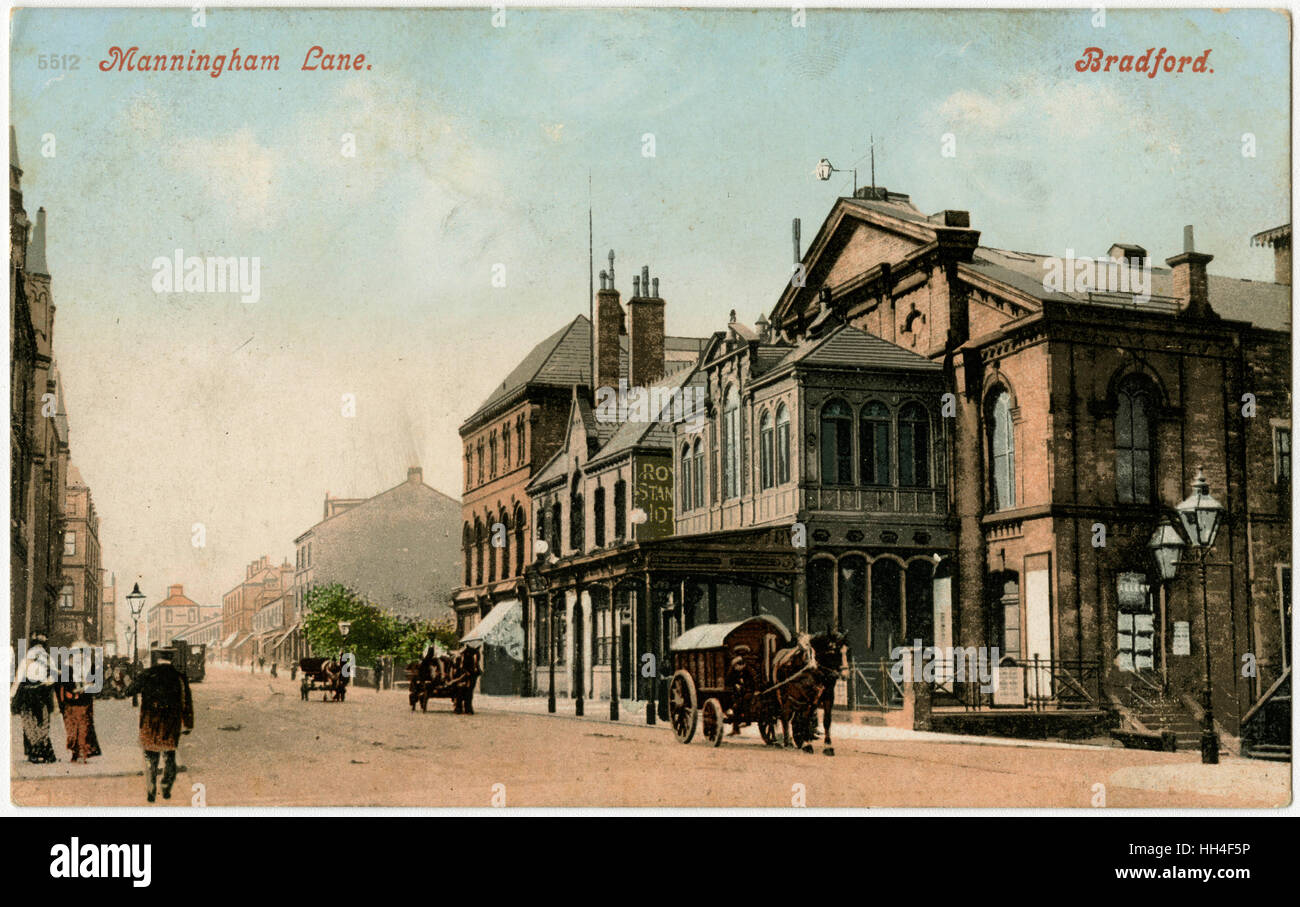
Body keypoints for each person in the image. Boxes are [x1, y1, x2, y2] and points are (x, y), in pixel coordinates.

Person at [123, 647, 194, 802]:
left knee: (150, 758)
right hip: (171, 725)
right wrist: (187, 724)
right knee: (169, 757)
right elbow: (186, 702)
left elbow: (129, 691)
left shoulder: (148, 674)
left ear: (157, 657)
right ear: (172, 658)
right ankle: (166, 787)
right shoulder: (179, 676)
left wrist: (126, 679)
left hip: (150, 723)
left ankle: (151, 790)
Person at [10, 634, 57, 763]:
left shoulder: (27, 658)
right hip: (42, 692)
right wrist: (47, 682)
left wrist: (11, 694)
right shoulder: (47, 658)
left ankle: (33, 752)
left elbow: (18, 677)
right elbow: (53, 675)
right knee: (42, 721)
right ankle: (45, 751)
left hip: (29, 692)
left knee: (30, 721)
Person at [56, 644, 102, 762]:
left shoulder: (91, 666)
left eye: (82, 652)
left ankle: (82, 752)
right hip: (70, 702)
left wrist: (86, 687)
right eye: (77, 653)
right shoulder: (66, 667)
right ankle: (75, 752)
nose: (80, 656)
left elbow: (97, 685)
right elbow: (62, 686)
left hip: (84, 701)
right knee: (72, 729)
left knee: (83, 727)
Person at [724, 645, 760, 736]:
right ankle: (737, 728)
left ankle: (745, 722)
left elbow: (754, 678)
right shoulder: (735, 666)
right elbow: (729, 679)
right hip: (738, 691)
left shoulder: (748, 667)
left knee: (743, 701)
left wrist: (755, 689)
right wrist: (736, 685)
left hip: (748, 690)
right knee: (737, 705)